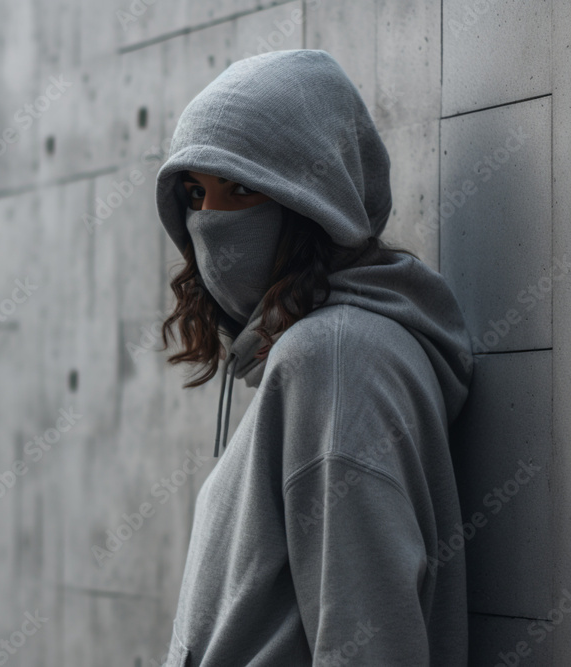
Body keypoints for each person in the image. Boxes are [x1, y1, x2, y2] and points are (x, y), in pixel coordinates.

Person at [153, 49, 474, 666]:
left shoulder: (333, 358)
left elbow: (371, 645)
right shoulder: (325, 350)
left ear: (312, 199)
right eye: (196, 193)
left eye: (241, 188)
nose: (209, 221)